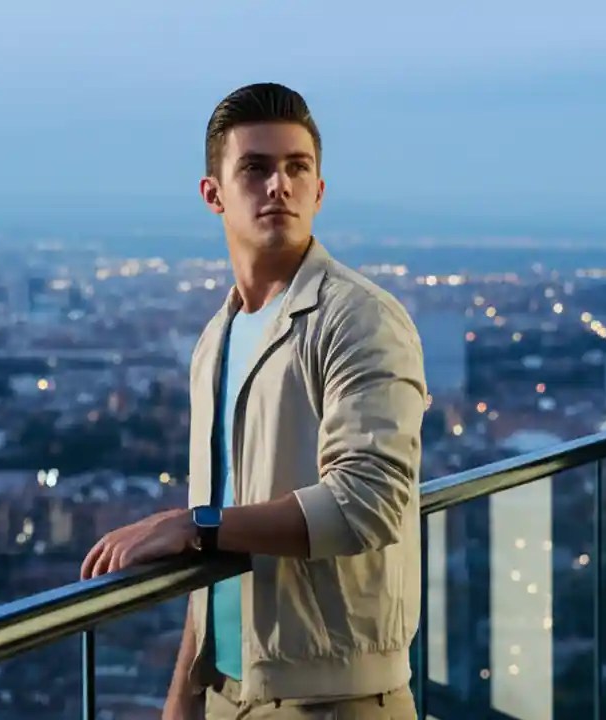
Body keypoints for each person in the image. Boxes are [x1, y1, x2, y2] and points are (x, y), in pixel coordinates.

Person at [80, 82, 426, 719]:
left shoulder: (360, 319)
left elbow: (368, 504)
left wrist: (194, 524)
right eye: (256, 168)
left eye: (297, 168)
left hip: (335, 701)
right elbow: (220, 530)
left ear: (319, 191)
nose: (279, 185)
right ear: (213, 194)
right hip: (226, 694)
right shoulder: (216, 341)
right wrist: (185, 694)